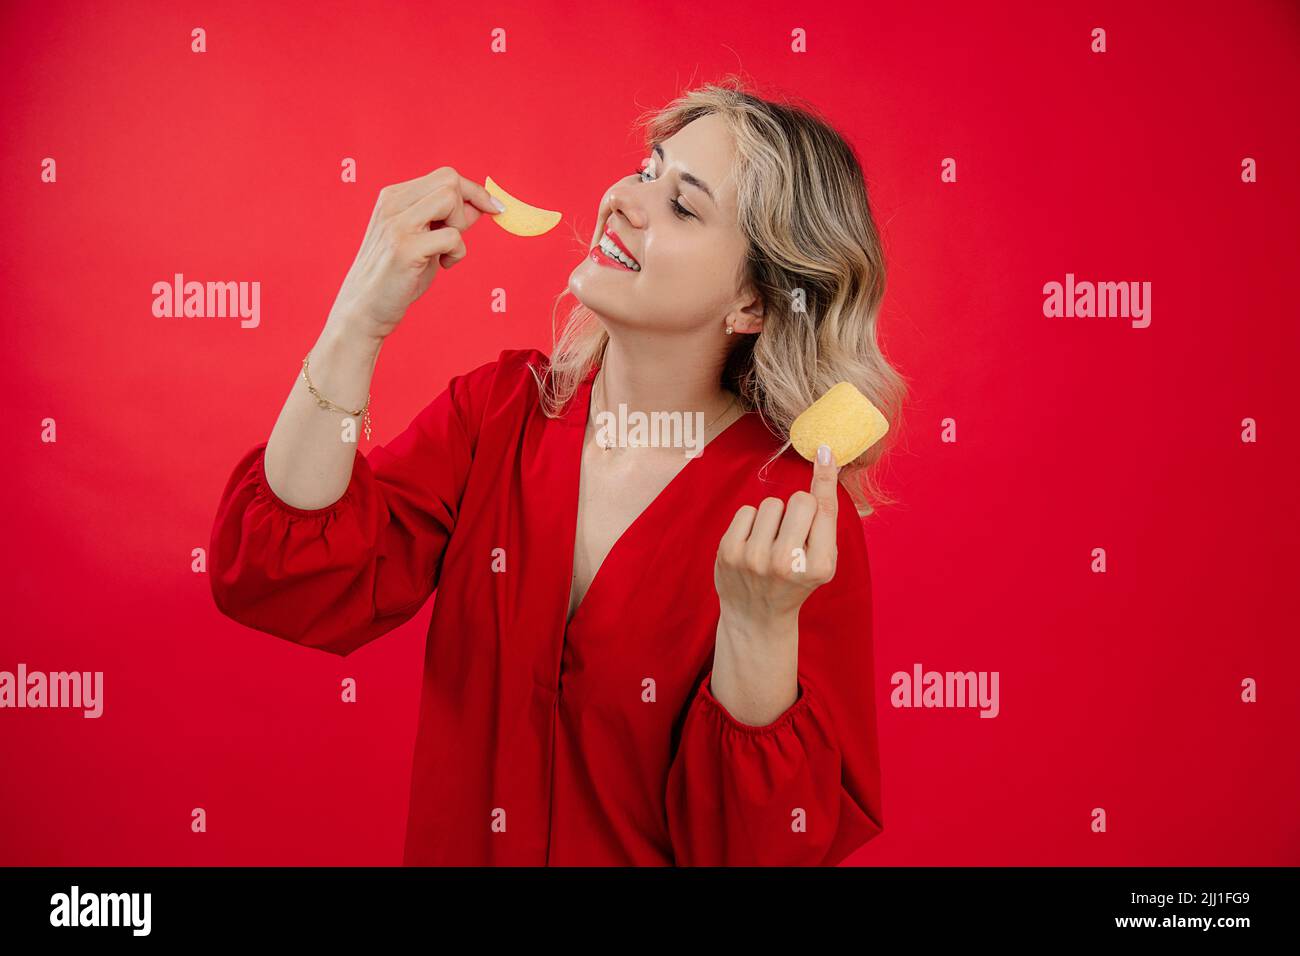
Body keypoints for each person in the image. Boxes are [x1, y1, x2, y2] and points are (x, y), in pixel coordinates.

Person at [209, 77, 909, 866]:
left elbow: (758, 851)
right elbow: (281, 574)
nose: (625, 202)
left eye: (683, 205)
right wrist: (357, 321)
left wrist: (760, 626)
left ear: (751, 303)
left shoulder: (790, 520)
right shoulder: (498, 414)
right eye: (648, 170)